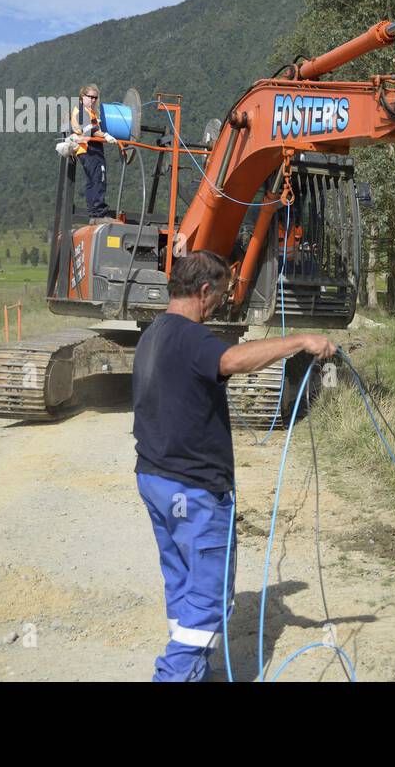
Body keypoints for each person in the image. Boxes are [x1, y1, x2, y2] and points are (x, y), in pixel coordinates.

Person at [132, 250, 336, 682]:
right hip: (194, 489)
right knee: (208, 597)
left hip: (155, 481)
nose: (223, 303)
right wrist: (300, 341)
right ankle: (174, 677)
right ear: (204, 290)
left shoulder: (154, 333)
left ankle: (195, 672)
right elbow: (230, 360)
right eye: (221, 294)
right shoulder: (191, 336)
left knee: (182, 585)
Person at [53, 83, 118, 223]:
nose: (94, 100)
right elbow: (91, 130)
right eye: (91, 97)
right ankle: (98, 213)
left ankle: (94, 213)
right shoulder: (81, 111)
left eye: (96, 98)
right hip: (89, 149)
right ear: (83, 97)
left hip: (90, 149)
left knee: (92, 180)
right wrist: (106, 135)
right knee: (98, 179)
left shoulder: (89, 112)